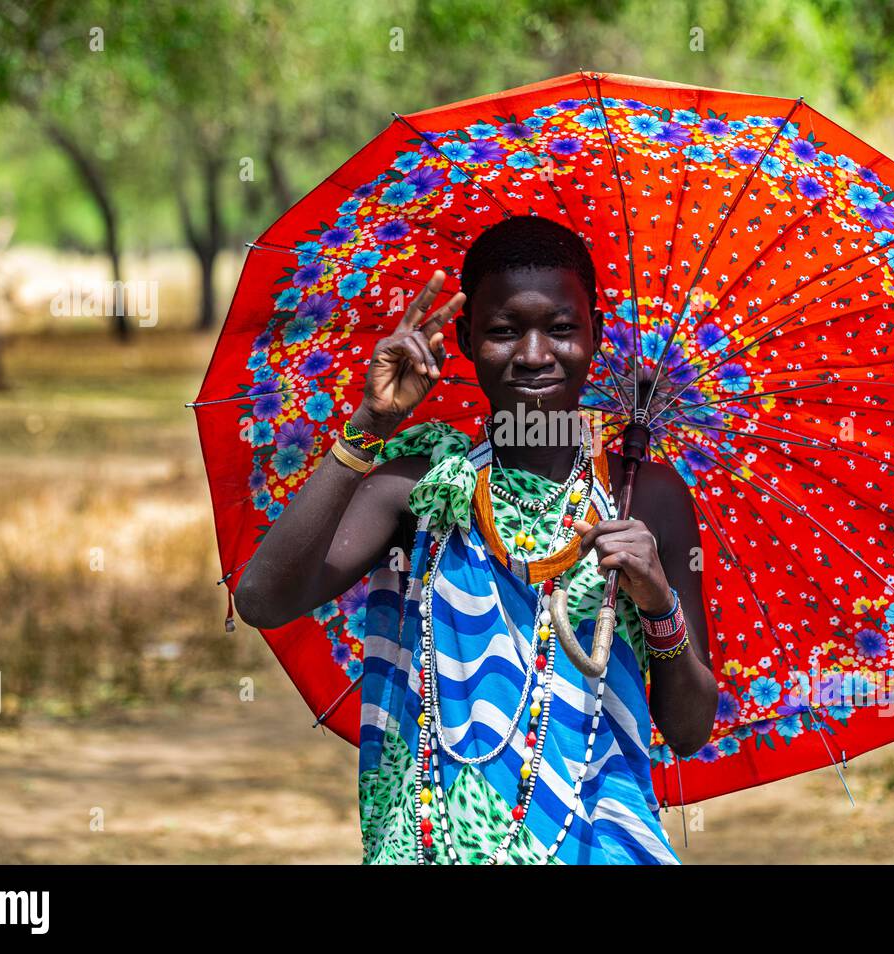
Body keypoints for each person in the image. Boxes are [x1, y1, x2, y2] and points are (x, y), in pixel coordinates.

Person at [235, 215, 717, 864]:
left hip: (599, 845)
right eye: (504, 331)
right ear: (462, 338)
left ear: (597, 335)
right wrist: (368, 425)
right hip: (438, 843)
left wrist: (657, 602)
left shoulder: (645, 498)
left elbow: (688, 731)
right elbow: (263, 600)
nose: (535, 354)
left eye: (562, 328)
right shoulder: (419, 489)